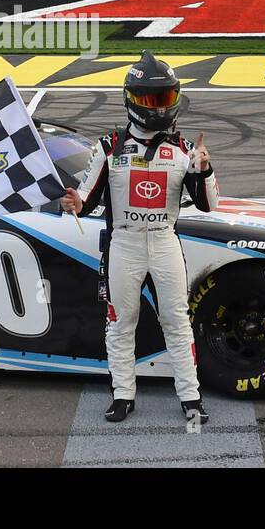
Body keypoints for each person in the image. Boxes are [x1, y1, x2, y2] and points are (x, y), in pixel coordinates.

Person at [60, 51, 218, 424]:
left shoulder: (184, 151)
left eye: (164, 98)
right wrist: (74, 201)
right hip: (124, 245)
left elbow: (208, 204)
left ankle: (191, 398)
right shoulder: (109, 147)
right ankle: (122, 395)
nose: (158, 108)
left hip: (165, 242)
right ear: (132, 100)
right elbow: (87, 200)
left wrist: (205, 168)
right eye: (150, 99)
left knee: (176, 320)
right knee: (120, 320)